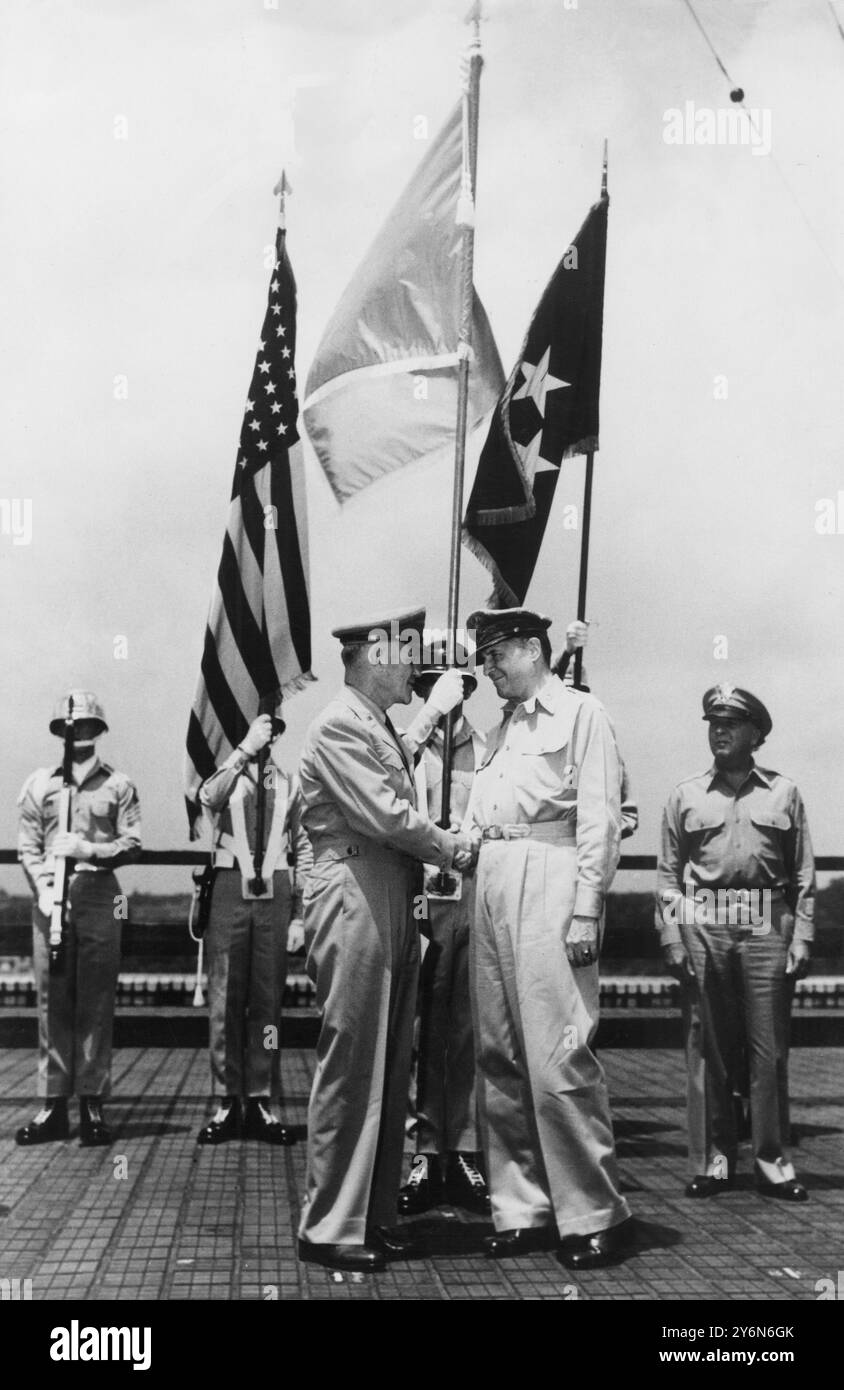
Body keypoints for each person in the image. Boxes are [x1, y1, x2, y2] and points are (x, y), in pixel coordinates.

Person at [296, 607, 475, 1273]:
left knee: (390, 1060)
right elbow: (387, 813)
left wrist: (428, 718)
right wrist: (456, 849)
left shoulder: (373, 724)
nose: (416, 669)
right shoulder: (340, 723)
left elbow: (399, 781)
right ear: (375, 654)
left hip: (388, 890)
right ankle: (331, 1224)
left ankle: (374, 1212)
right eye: (408, 656)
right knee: (354, 1058)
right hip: (353, 890)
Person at [465, 608, 634, 1269]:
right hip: (492, 877)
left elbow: (600, 817)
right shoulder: (499, 728)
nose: (488, 668)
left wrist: (588, 908)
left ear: (532, 649)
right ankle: (524, 1207)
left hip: (550, 877)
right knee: (500, 1054)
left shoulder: (580, 714)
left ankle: (595, 1212)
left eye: (496, 655)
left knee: (559, 1054)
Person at [656, 684, 814, 1202]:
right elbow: (668, 876)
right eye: (712, 723)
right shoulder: (685, 794)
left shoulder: (784, 793)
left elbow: (804, 873)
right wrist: (673, 940)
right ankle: (713, 1163)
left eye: (730, 724)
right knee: (707, 1048)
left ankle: (773, 1164)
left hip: (768, 917)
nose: (718, 731)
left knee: (768, 1050)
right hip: (704, 919)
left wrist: (801, 935)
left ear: (756, 734)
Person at [16, 690, 141, 1146]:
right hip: (50, 901)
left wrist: (91, 850)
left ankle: (92, 1102)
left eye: (86, 726)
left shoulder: (119, 785)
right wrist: (43, 888)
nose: (78, 734)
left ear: (98, 730)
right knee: (53, 1003)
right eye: (70, 728)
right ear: (60, 732)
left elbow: (132, 842)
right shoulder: (39, 784)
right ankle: (52, 1104)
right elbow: (27, 845)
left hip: (99, 894)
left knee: (95, 1002)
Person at [397, 641, 490, 1217]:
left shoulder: (488, 749)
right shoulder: (403, 747)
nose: (442, 694)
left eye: (450, 685)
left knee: (467, 1029)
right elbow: (383, 785)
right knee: (417, 1031)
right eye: (429, 683)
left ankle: (464, 1148)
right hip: (415, 899)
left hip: (471, 898)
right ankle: (422, 1148)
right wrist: (426, 716)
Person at [195, 697, 312, 1145]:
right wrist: (242, 751)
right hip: (229, 889)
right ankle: (226, 1101)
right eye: (258, 729)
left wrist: (300, 914)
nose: (266, 737)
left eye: (269, 730)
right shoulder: (228, 775)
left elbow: (303, 850)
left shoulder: (289, 783)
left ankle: (260, 1098)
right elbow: (207, 796)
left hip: (274, 895)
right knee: (224, 998)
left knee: (267, 1001)